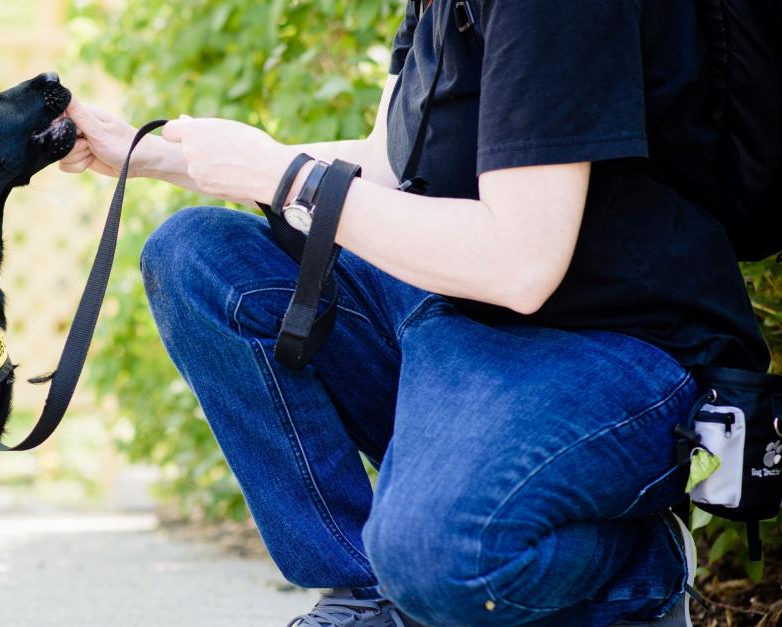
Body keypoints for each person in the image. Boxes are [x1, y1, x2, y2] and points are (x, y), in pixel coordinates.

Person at [60, 1, 770, 625]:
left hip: (612, 346)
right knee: (198, 254)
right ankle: (371, 596)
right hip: (460, 310)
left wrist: (280, 173)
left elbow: (522, 264)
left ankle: (640, 567)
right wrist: (150, 157)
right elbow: (388, 165)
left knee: (443, 552)